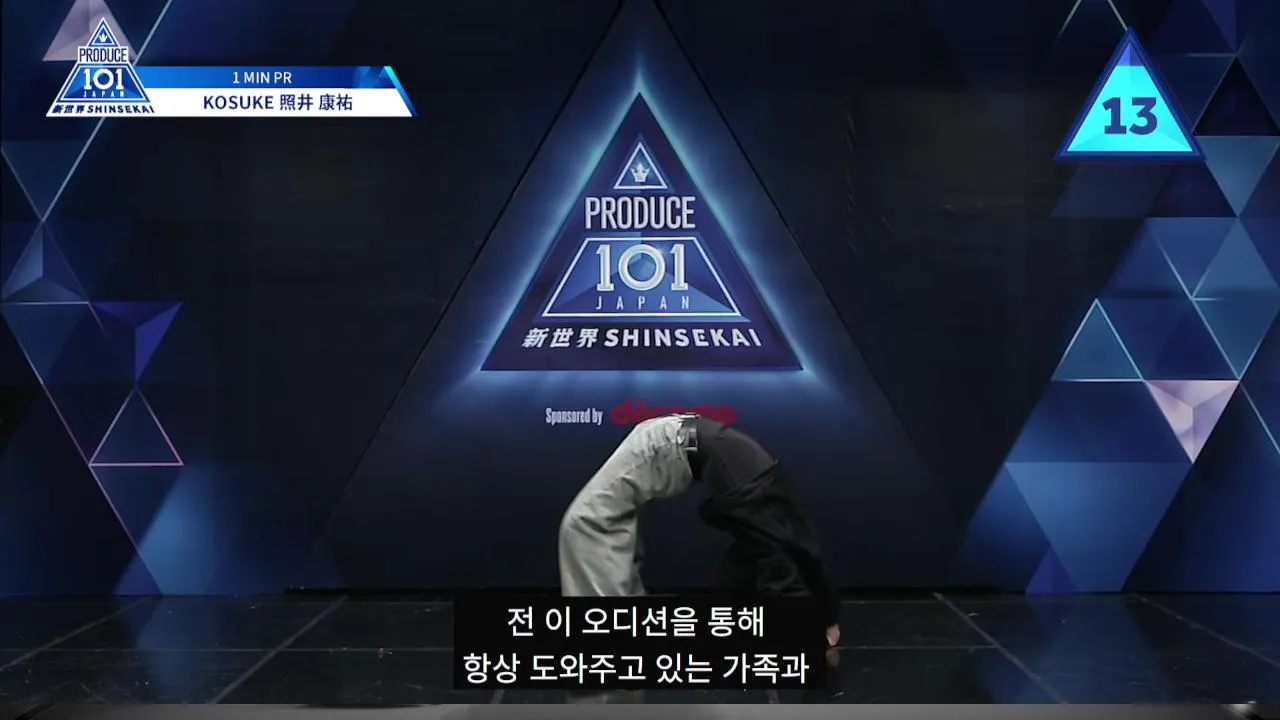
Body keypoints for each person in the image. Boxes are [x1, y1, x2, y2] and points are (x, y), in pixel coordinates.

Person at [558, 413, 842, 701]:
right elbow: (801, 556)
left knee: (584, 522)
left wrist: (819, 625)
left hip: (674, 437)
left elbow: (790, 565)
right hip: (680, 438)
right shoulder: (761, 492)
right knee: (765, 553)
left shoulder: (757, 495)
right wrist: (827, 618)